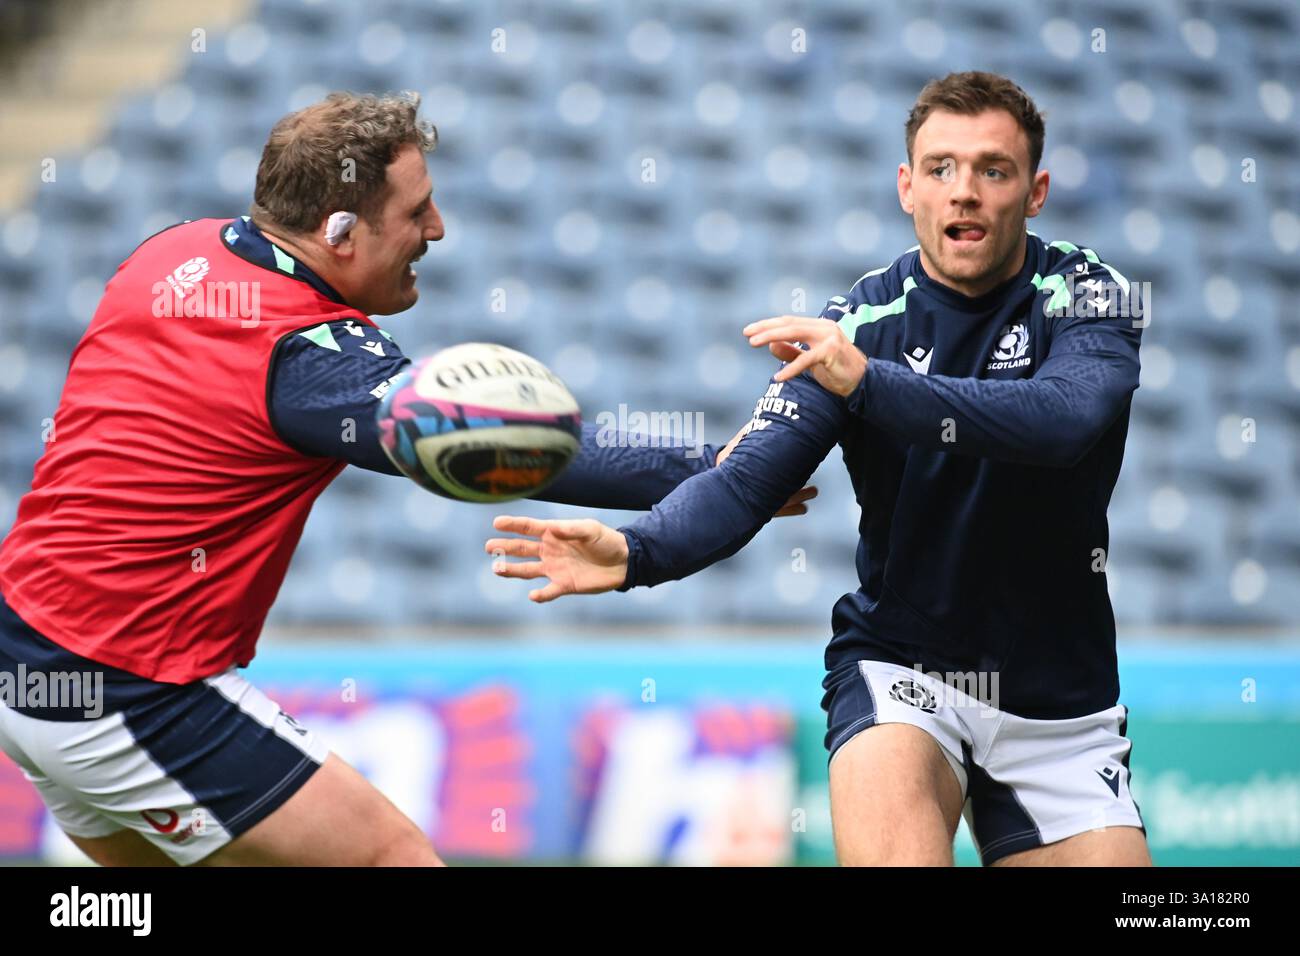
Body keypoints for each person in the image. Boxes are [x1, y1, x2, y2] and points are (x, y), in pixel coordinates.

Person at [0, 91, 809, 867]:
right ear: (341, 229)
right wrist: (722, 470)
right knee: (397, 859)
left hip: (25, 658)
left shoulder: (172, 249)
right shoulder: (307, 357)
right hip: (132, 683)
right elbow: (513, 441)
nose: (438, 227)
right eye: (416, 210)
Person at [487, 72, 1152, 866]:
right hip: (906, 670)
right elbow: (745, 481)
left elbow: (1066, 420)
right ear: (907, 187)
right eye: (940, 169)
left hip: (1059, 707)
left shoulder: (1086, 292)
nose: (964, 192)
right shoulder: (858, 323)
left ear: (1035, 191)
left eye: (992, 170)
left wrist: (870, 384)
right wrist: (638, 551)